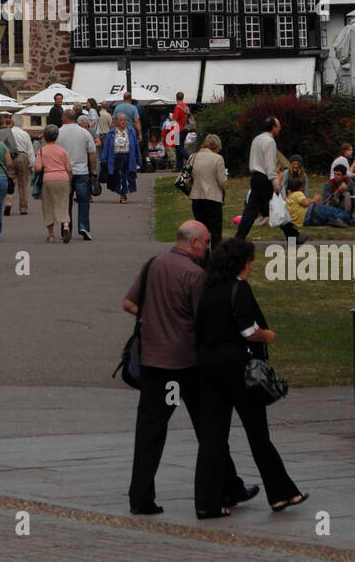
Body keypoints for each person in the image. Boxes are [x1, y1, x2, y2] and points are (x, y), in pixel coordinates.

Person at [123, 221, 258, 516]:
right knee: (210, 431)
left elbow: (129, 304)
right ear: (195, 242)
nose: (208, 248)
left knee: (149, 432)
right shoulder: (195, 275)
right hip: (186, 365)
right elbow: (204, 317)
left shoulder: (152, 266)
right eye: (207, 242)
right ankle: (227, 487)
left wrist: (157, 317)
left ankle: (140, 497)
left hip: (153, 363)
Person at [194, 238, 307, 518]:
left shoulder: (208, 291)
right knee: (258, 434)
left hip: (208, 368)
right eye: (250, 261)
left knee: (213, 438)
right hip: (238, 369)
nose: (252, 266)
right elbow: (248, 330)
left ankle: (207, 502)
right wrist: (267, 335)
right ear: (241, 264)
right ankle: (281, 492)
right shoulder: (239, 289)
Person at [234, 118, 306, 244]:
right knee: (276, 208)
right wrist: (275, 182)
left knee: (253, 210)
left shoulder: (257, 139)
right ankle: (293, 237)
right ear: (273, 127)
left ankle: (239, 238)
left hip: (255, 177)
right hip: (265, 178)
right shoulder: (270, 141)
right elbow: (269, 163)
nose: (280, 128)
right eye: (278, 126)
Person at [58, 110, 98, 241]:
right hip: (81, 172)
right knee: (84, 200)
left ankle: (66, 226)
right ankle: (84, 226)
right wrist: (93, 170)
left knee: (65, 202)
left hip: (64, 172)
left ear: (64, 118)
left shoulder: (59, 132)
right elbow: (92, 153)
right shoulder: (84, 133)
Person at [34, 124, 73, 243]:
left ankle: (51, 236)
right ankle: (65, 225)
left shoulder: (41, 151)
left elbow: (38, 168)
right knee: (63, 204)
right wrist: (69, 181)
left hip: (48, 179)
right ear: (57, 136)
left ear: (45, 137)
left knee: (48, 206)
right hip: (63, 178)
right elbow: (69, 168)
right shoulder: (62, 151)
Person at [190, 134, 227, 254]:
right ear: (216, 146)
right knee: (216, 230)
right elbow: (222, 182)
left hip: (196, 197)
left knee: (201, 230)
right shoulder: (218, 159)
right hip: (213, 197)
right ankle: (216, 256)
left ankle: (202, 256)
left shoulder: (193, 157)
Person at [284, 169, 351, 228]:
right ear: (299, 188)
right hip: (312, 210)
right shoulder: (297, 194)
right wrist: (315, 200)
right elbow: (305, 202)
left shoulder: (288, 199)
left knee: (329, 221)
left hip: (306, 221)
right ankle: (336, 218)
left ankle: (337, 220)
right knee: (345, 214)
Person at [0, 114, 34, 215]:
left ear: (12, 122)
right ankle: (23, 208)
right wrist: (31, 165)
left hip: (10, 157)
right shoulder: (25, 135)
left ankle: (8, 203)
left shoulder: (8, 132)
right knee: (23, 184)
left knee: (10, 181)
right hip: (22, 157)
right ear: (21, 123)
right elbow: (30, 150)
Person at [101, 112, 141, 205]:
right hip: (115, 157)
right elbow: (106, 147)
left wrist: (138, 160)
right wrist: (103, 160)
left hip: (128, 157)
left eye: (125, 120)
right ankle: (121, 192)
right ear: (117, 121)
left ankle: (123, 194)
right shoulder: (111, 133)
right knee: (117, 176)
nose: (123, 122)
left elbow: (136, 146)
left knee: (125, 176)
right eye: (121, 120)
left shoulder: (130, 131)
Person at [172, 93, 189, 166]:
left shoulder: (177, 107)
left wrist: (171, 118)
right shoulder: (186, 106)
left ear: (176, 98)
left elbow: (175, 119)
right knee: (180, 146)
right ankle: (179, 166)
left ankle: (190, 158)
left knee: (178, 148)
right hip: (185, 128)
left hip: (178, 129)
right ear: (183, 98)